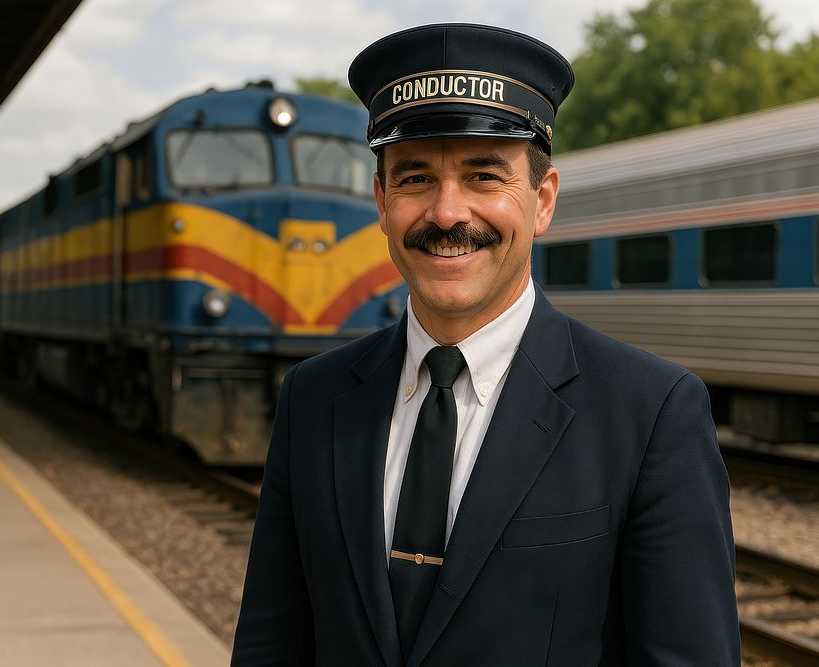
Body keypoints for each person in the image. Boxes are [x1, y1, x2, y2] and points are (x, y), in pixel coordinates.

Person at [232, 23, 740, 666]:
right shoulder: (312, 399)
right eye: (415, 178)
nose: (447, 214)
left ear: (542, 202)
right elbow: (270, 646)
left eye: (483, 177)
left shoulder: (651, 413)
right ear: (382, 202)